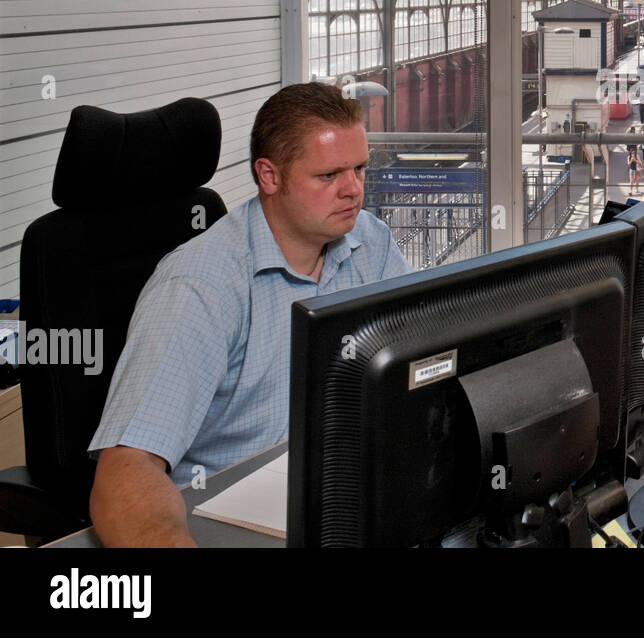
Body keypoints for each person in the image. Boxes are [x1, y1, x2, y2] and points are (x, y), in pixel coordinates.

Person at [87, 82, 414, 546]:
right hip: (225, 518)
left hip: (337, 490)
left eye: (360, 168)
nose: (353, 190)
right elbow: (126, 469)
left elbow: (421, 360)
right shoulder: (200, 285)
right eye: (329, 176)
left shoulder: (370, 243)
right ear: (269, 176)